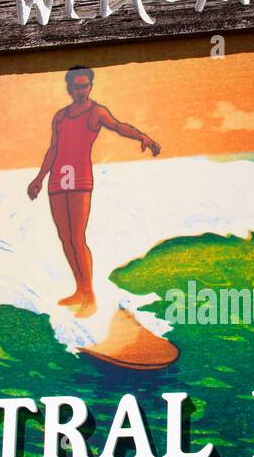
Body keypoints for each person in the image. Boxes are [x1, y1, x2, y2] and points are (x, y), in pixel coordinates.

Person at [27, 65, 161, 318]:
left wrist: (143, 137)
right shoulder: (60, 116)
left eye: (84, 86)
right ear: (69, 88)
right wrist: (39, 178)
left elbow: (119, 126)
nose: (80, 91)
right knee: (65, 239)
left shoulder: (96, 112)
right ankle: (79, 290)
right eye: (76, 86)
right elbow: (53, 149)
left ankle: (90, 296)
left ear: (90, 86)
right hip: (58, 178)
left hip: (80, 178)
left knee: (78, 238)